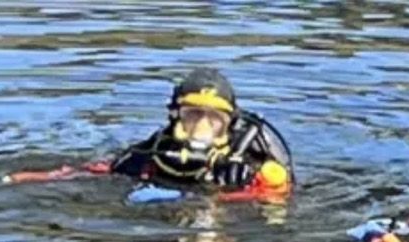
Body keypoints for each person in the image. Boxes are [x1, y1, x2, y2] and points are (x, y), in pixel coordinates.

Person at [108, 69, 293, 195]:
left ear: (230, 124)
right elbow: (96, 172)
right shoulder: (151, 154)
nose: (202, 127)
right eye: (193, 115)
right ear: (175, 116)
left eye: (215, 119)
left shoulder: (247, 166)